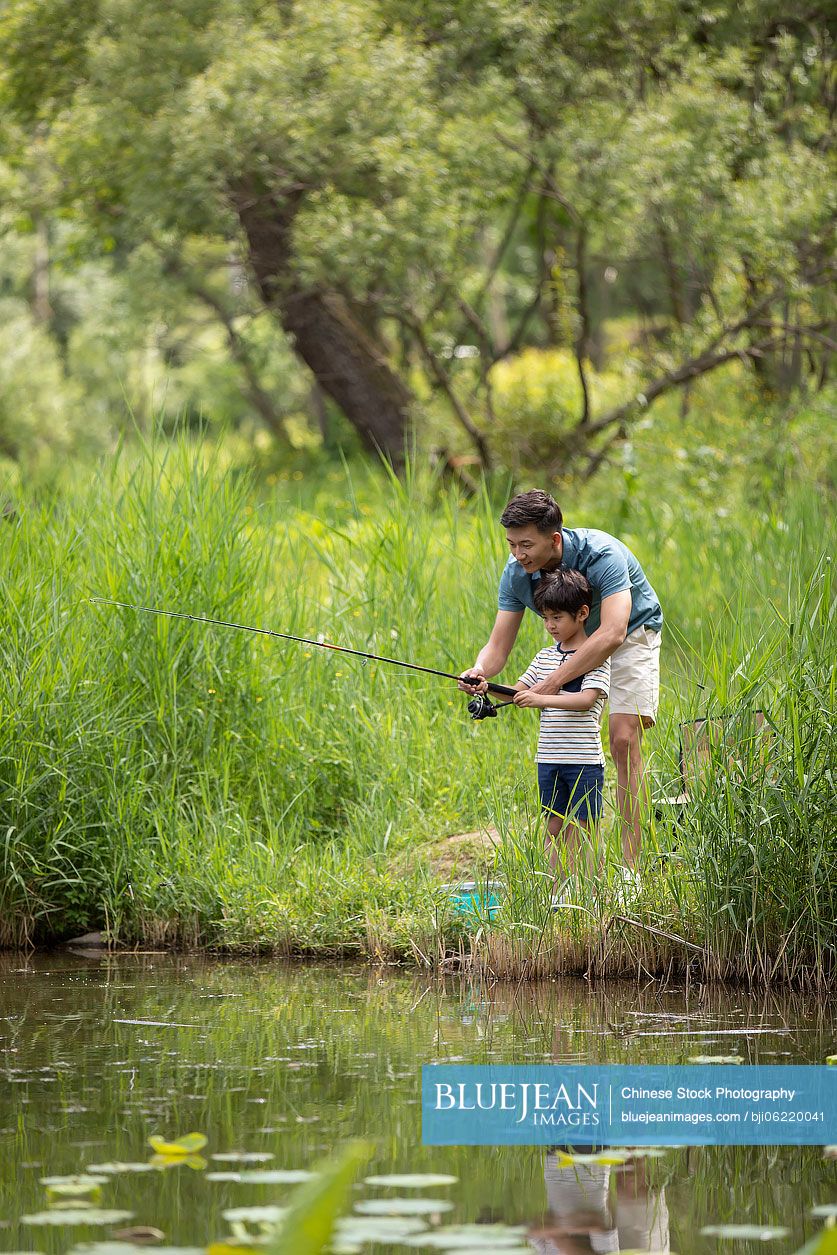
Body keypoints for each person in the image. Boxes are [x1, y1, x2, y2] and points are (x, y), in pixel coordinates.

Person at [460, 490, 662, 873]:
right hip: (575, 641)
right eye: (511, 544)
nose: (518, 554)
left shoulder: (602, 554)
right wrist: (479, 672)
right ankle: (576, 872)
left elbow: (614, 631)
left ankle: (632, 871)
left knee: (622, 739)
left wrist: (551, 683)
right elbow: (497, 646)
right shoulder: (515, 573)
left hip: (631, 633)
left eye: (526, 544)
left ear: (554, 539)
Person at [511, 571, 610, 902]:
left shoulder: (595, 656)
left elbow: (586, 701)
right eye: (545, 618)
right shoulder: (543, 657)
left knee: (582, 829)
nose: (550, 625)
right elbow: (517, 692)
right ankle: (555, 896)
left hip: (583, 762)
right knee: (553, 827)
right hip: (549, 761)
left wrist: (540, 698)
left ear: (582, 614)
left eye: (557, 617)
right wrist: (482, 684)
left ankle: (588, 896)